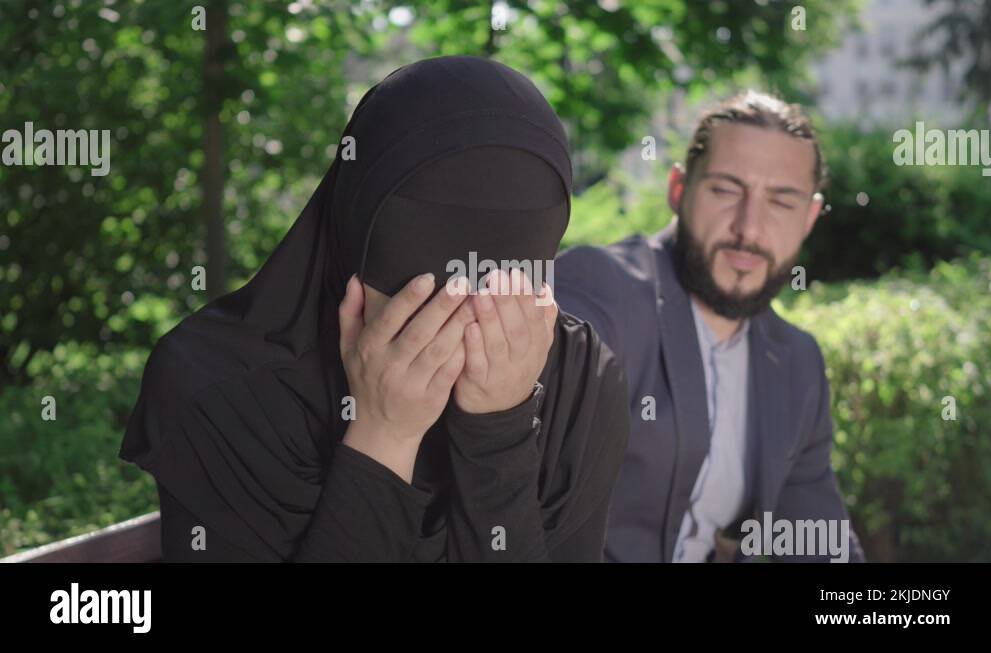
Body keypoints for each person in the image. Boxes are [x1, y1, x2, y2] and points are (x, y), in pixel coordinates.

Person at [119, 55, 629, 562]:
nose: (461, 317)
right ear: (354, 239)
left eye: (497, 287)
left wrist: (501, 429)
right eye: (427, 291)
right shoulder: (220, 387)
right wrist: (383, 436)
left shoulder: (578, 378)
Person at [555, 90, 864, 562]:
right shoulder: (598, 293)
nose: (749, 229)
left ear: (809, 218)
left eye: (781, 202)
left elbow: (819, 541)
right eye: (725, 190)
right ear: (679, 190)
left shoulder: (797, 361)